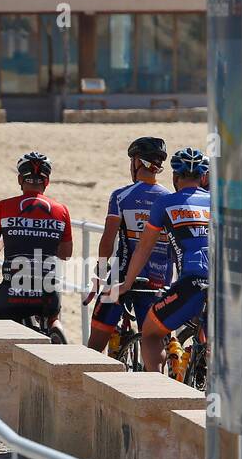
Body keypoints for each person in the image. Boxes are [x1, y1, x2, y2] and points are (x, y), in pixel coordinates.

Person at [116, 148, 211, 372]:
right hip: (227, 284)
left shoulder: (166, 203)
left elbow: (143, 248)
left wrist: (126, 284)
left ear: (175, 177)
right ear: (203, 177)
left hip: (193, 284)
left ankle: (158, 388)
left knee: (151, 332)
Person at [87, 137, 171, 353]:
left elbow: (107, 241)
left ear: (137, 162)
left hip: (121, 279)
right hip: (157, 282)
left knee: (95, 345)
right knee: (154, 348)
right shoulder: (170, 199)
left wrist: (100, 272)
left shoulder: (121, 196)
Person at [0, 153, 73, 341]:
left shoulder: (4, 207)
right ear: (46, 182)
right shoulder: (61, 210)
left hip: (12, 292)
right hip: (47, 289)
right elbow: (66, 253)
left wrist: (8, 238)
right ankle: (56, 329)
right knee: (52, 315)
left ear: (20, 179)